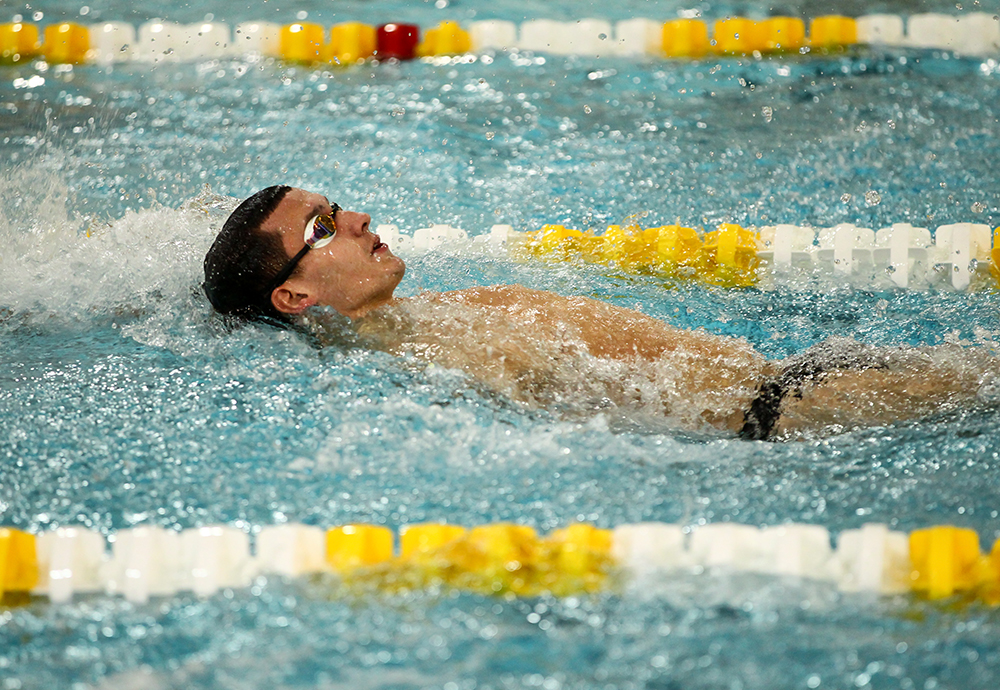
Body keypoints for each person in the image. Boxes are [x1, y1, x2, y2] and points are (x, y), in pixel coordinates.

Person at [203, 185, 994, 441]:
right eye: (322, 228)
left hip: (796, 376)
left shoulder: (433, 315)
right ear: (295, 297)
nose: (356, 220)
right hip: (783, 417)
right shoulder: (424, 363)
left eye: (337, 207)